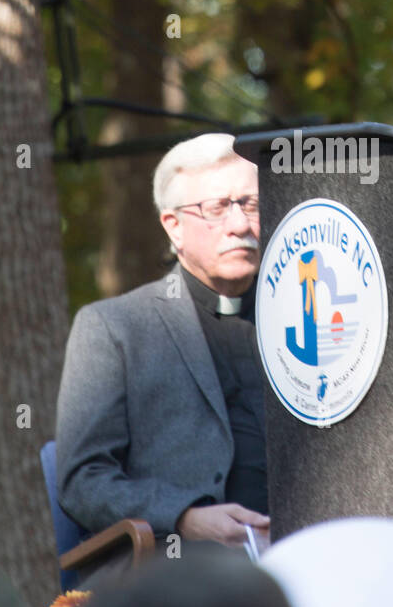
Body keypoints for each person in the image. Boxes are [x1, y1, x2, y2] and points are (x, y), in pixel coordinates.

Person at [56, 132, 270, 549]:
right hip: (179, 569)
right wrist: (183, 517)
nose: (241, 224)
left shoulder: (298, 318)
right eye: (217, 208)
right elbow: (83, 480)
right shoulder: (115, 327)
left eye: (251, 204)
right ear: (174, 226)